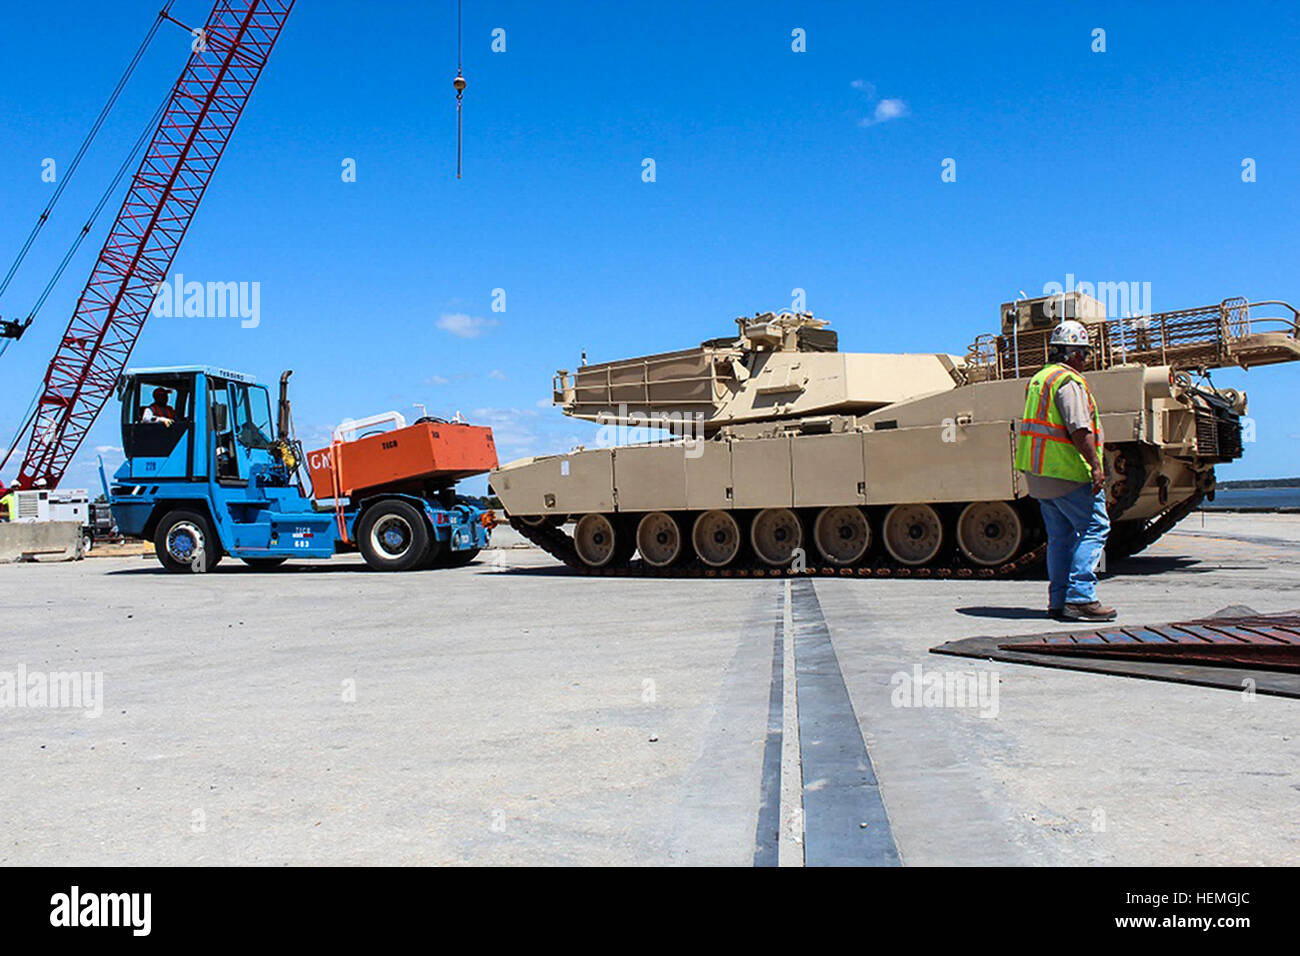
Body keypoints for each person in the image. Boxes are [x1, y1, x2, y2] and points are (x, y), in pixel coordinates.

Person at [1014, 320, 1117, 623]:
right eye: (1084, 354)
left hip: (1040, 473)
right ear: (1072, 354)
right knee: (1095, 528)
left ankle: (1058, 600)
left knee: (1060, 537)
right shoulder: (1068, 382)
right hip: (1067, 471)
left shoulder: (1039, 379)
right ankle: (1081, 597)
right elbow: (1079, 428)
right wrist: (1096, 466)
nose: (1086, 360)